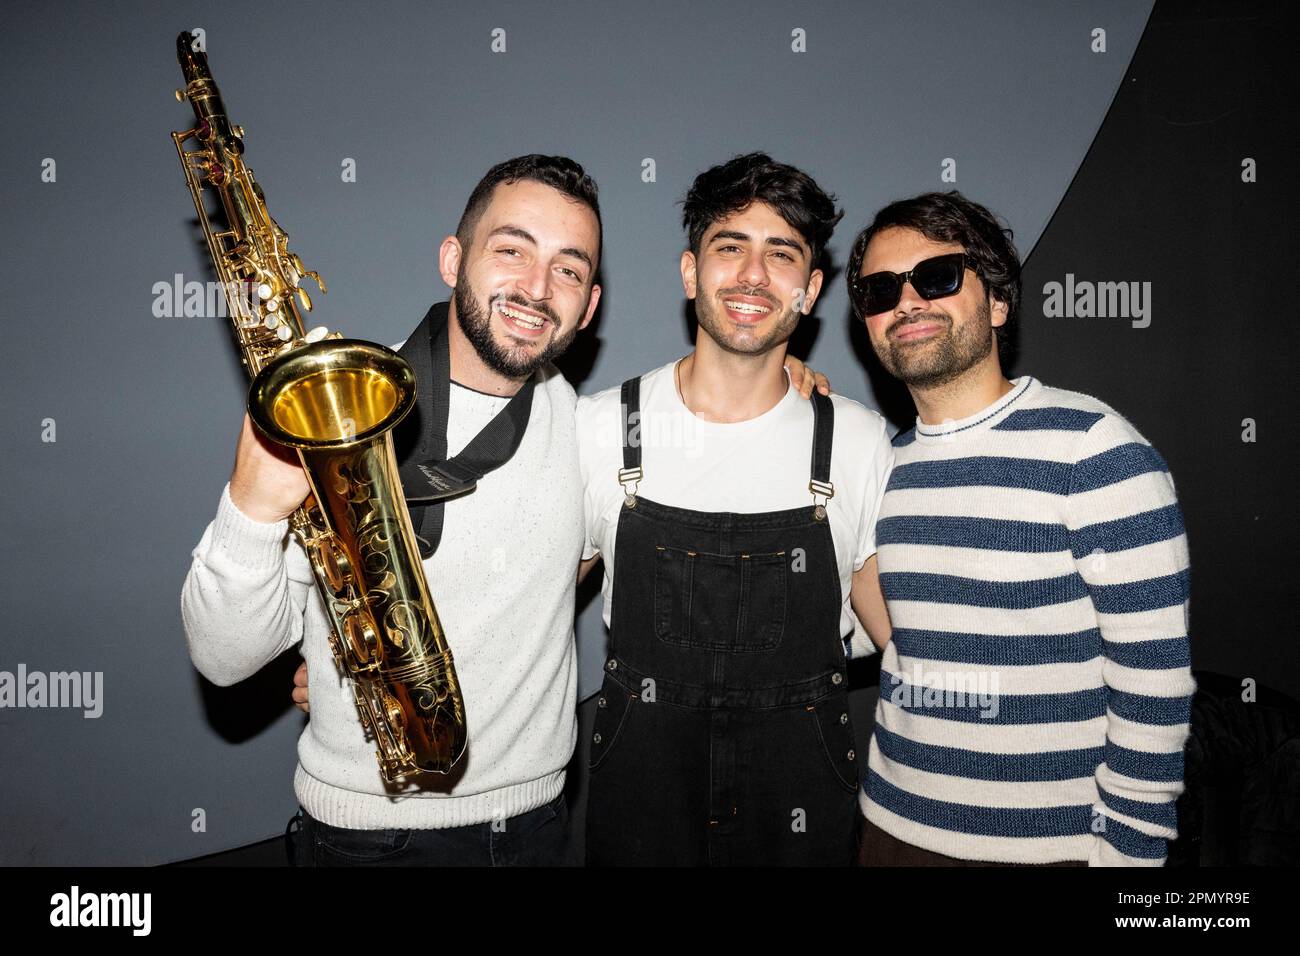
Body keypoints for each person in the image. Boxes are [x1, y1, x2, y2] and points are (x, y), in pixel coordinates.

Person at [182, 154, 603, 866]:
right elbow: (225, 661)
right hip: (364, 840)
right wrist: (251, 507)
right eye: (511, 250)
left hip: (538, 828)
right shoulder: (335, 404)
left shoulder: (593, 431)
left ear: (589, 305)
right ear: (452, 258)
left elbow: (580, 558)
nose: (536, 287)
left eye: (568, 268)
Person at [845, 191, 1195, 866]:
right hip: (888, 832)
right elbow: (892, 640)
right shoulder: (883, 466)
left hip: (1049, 850)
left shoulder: (1094, 450)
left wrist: (1128, 854)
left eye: (938, 276)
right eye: (881, 290)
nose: (908, 302)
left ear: (998, 302)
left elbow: (1154, 681)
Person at [577, 153, 894, 866]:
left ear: (810, 290)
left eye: (781, 256)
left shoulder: (856, 439)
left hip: (801, 806)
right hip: (643, 800)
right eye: (730, 248)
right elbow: (528, 602)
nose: (753, 276)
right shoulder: (604, 428)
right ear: (690, 272)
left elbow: (902, 641)